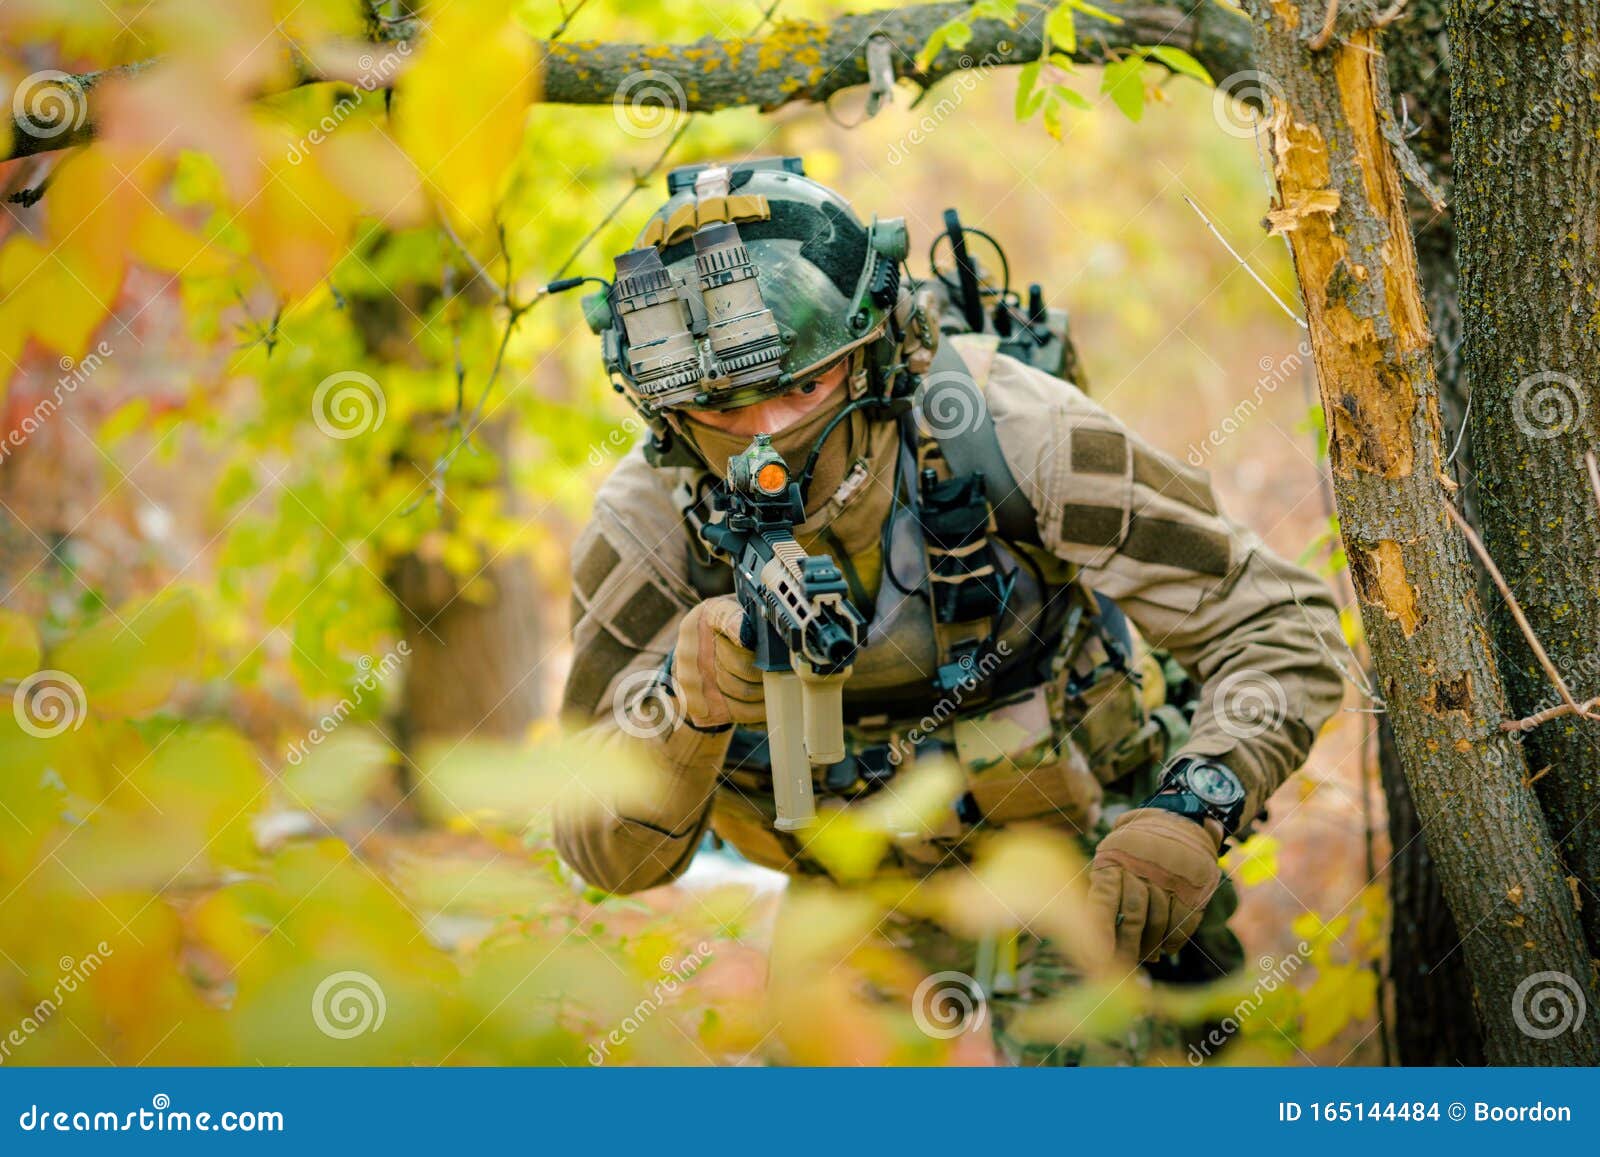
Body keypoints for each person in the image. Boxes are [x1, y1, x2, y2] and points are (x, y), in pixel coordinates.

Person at [553, 157, 1346, 1063]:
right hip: (857, 880)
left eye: (801, 388)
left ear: (874, 356)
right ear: (666, 413)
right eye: (721, 409)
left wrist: (1193, 806)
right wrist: (685, 705)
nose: (766, 437)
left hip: (1082, 850)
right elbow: (604, 854)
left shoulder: (1006, 428)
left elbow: (1280, 622)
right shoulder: (651, 523)